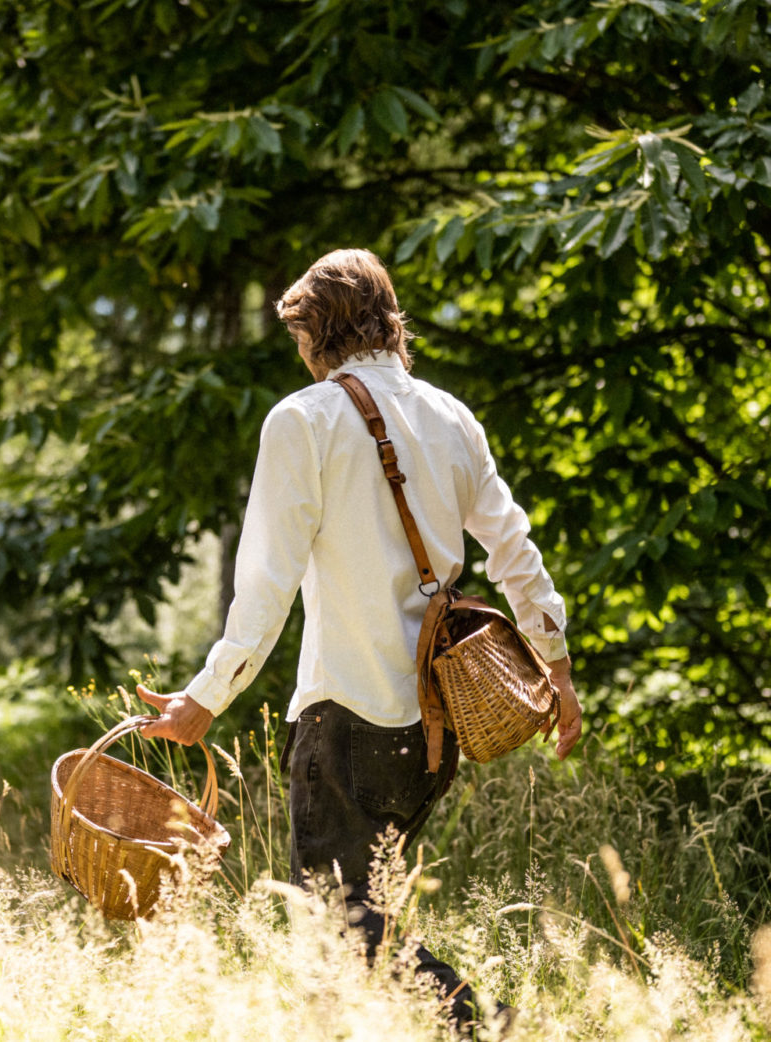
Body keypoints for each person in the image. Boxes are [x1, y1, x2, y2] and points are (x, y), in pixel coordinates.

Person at [136, 248, 582, 1033]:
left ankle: (497, 1029)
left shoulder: (303, 421)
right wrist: (558, 671)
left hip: (345, 721)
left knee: (343, 937)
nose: (300, 357)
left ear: (318, 333)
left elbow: (266, 586)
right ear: (388, 323)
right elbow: (514, 550)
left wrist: (206, 699)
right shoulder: (450, 417)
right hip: (435, 733)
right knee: (355, 936)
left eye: (301, 338)